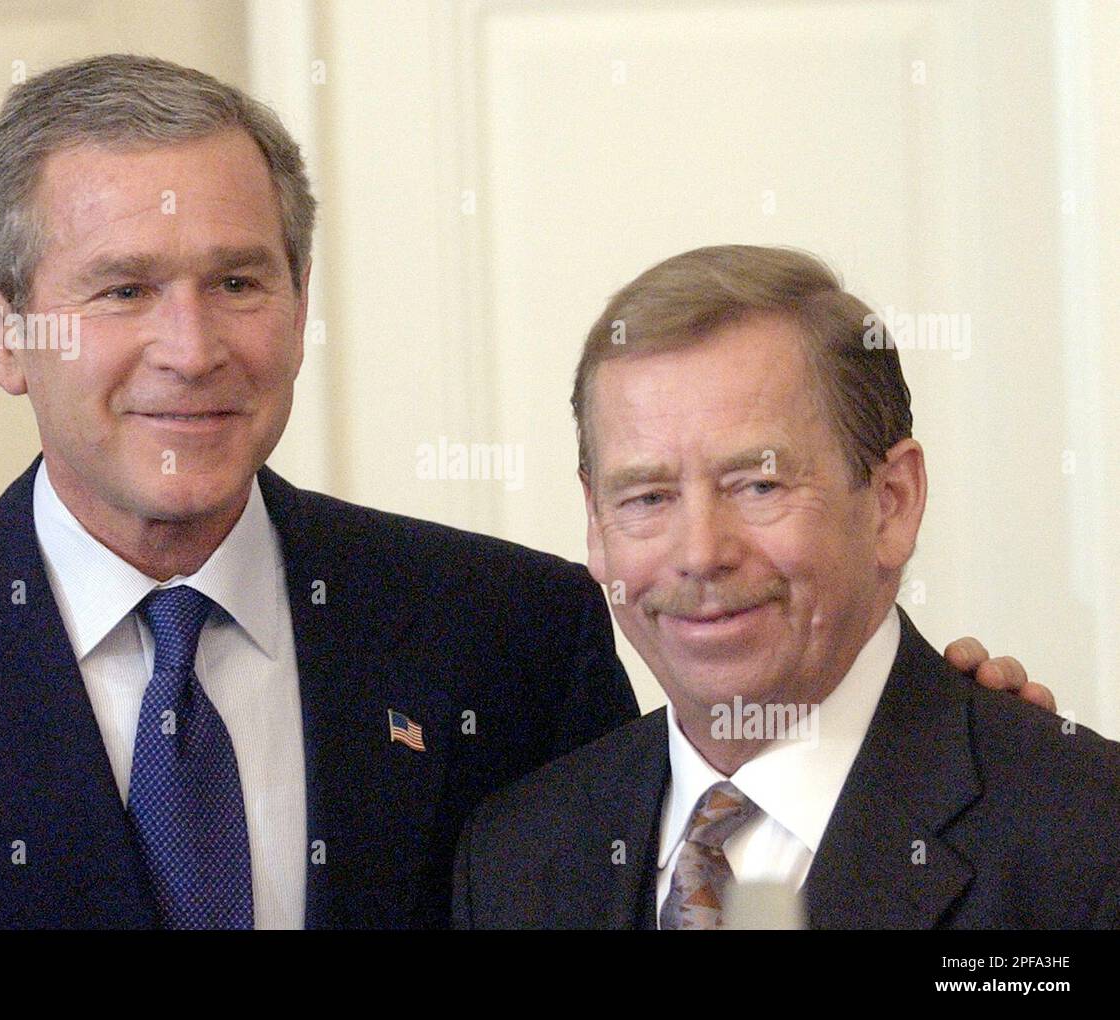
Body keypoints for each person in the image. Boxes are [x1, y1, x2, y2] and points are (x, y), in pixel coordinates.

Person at [0, 58, 1041, 930]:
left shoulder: (509, 634)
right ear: (0, 329)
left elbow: (712, 848)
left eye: (239, 281)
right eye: (123, 291)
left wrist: (928, 738)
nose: (192, 349)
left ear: (301, 302)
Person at [453, 245, 1120, 929]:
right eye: (648, 498)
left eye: (759, 485)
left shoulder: (1088, 843)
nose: (702, 553)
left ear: (892, 502)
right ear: (596, 525)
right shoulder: (516, 859)